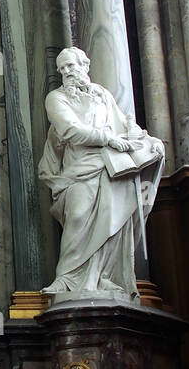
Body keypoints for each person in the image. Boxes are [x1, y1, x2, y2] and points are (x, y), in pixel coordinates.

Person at [38, 47, 164, 298]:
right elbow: (69, 130)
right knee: (78, 215)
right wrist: (109, 139)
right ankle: (67, 278)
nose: (66, 73)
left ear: (85, 65)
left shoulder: (102, 94)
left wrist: (140, 138)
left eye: (71, 66)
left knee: (110, 218)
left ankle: (102, 276)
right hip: (79, 167)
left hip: (110, 166)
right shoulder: (56, 98)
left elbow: (122, 124)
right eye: (62, 69)